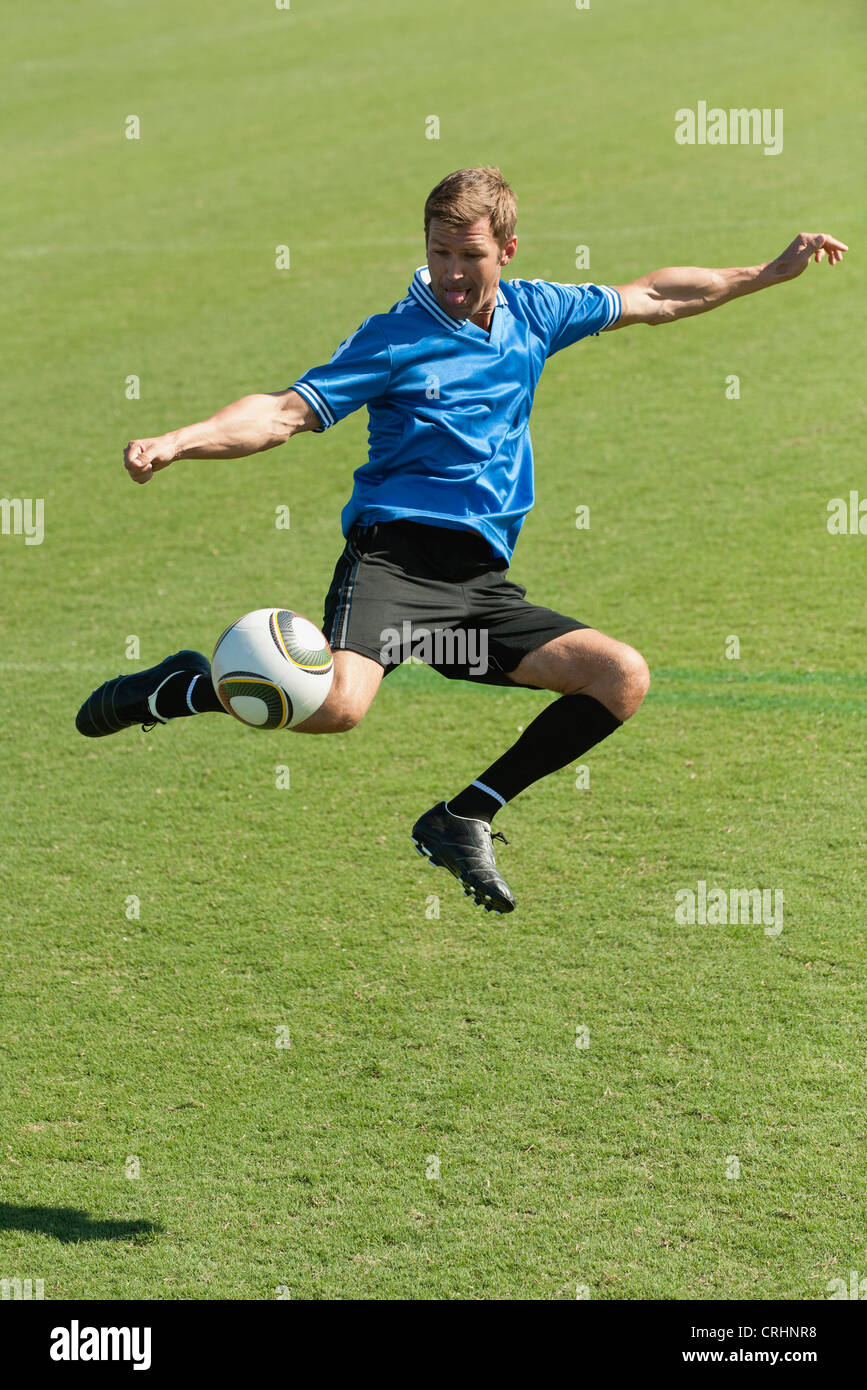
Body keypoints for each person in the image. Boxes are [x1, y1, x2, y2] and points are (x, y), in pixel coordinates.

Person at [75, 167, 848, 914]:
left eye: (468, 255)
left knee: (619, 677)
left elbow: (654, 294)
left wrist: (767, 272)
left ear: (505, 252)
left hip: (477, 584)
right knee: (339, 709)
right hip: (395, 561)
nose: (449, 271)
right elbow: (281, 414)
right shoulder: (393, 340)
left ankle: (463, 818)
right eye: (438, 251)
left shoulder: (537, 313)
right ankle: (180, 688)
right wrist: (182, 438)